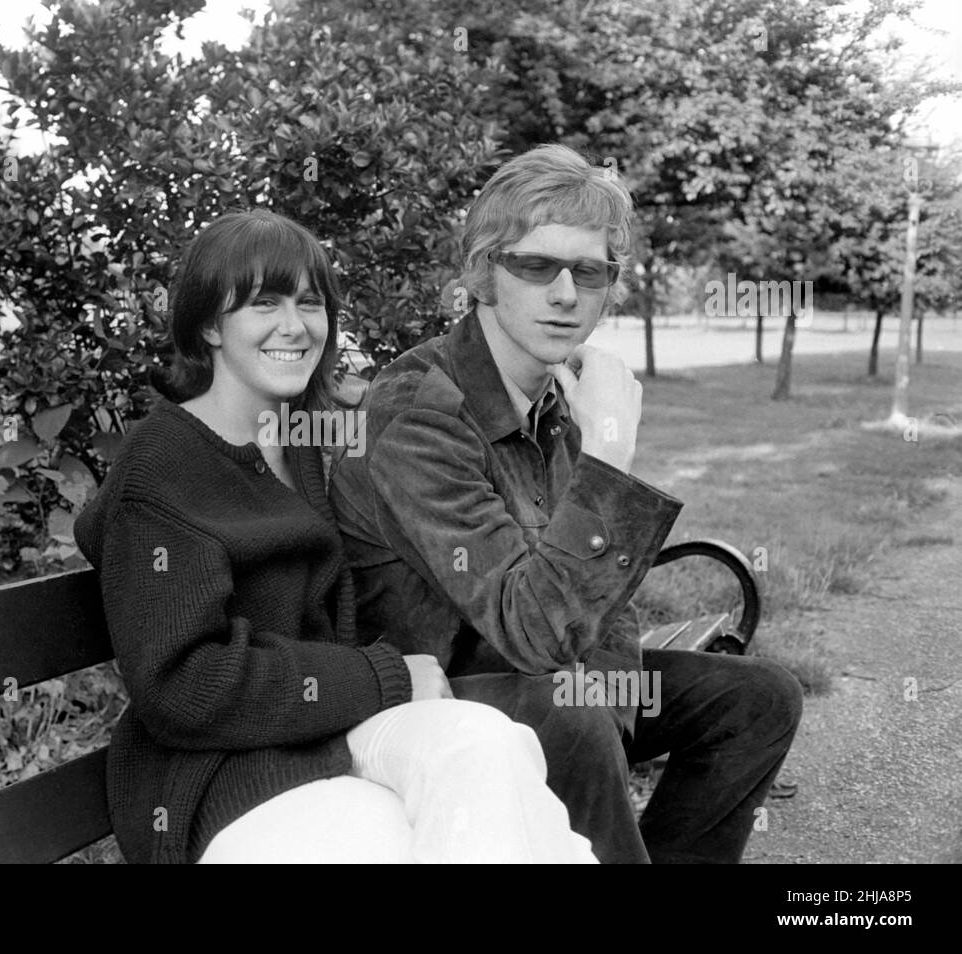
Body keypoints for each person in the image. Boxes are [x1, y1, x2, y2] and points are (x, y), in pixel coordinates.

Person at [73, 208, 597, 864]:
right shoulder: (165, 466)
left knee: (491, 745)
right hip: (229, 780)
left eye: (310, 303)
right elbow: (182, 685)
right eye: (264, 303)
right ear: (208, 324)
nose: (294, 326)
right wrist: (381, 676)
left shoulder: (302, 445)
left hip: (335, 735)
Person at [329, 144, 804, 864]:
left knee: (759, 698)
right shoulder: (420, 416)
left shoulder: (554, 393)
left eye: (588, 272)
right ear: (485, 271)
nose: (564, 293)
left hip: (551, 680)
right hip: (433, 700)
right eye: (535, 265)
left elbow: (602, 602)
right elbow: (530, 634)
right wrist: (610, 459)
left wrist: (611, 686)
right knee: (577, 712)